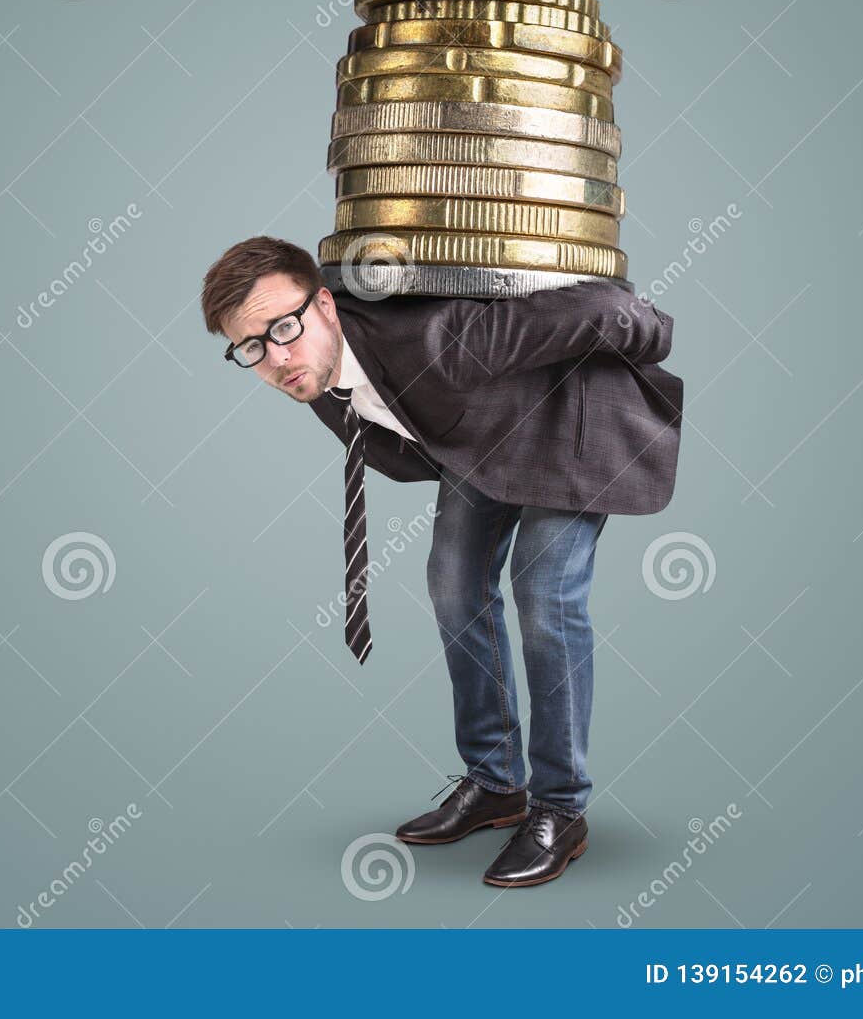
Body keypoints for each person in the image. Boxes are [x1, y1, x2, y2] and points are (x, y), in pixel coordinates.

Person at [200, 236, 682, 887]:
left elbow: (603, 305)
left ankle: (561, 807)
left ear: (324, 302)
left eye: (284, 327)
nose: (276, 356)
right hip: (483, 430)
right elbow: (399, 435)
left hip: (570, 414)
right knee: (454, 583)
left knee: (544, 594)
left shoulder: (435, 337)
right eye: (250, 346)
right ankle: (495, 782)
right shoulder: (308, 375)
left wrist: (656, 335)